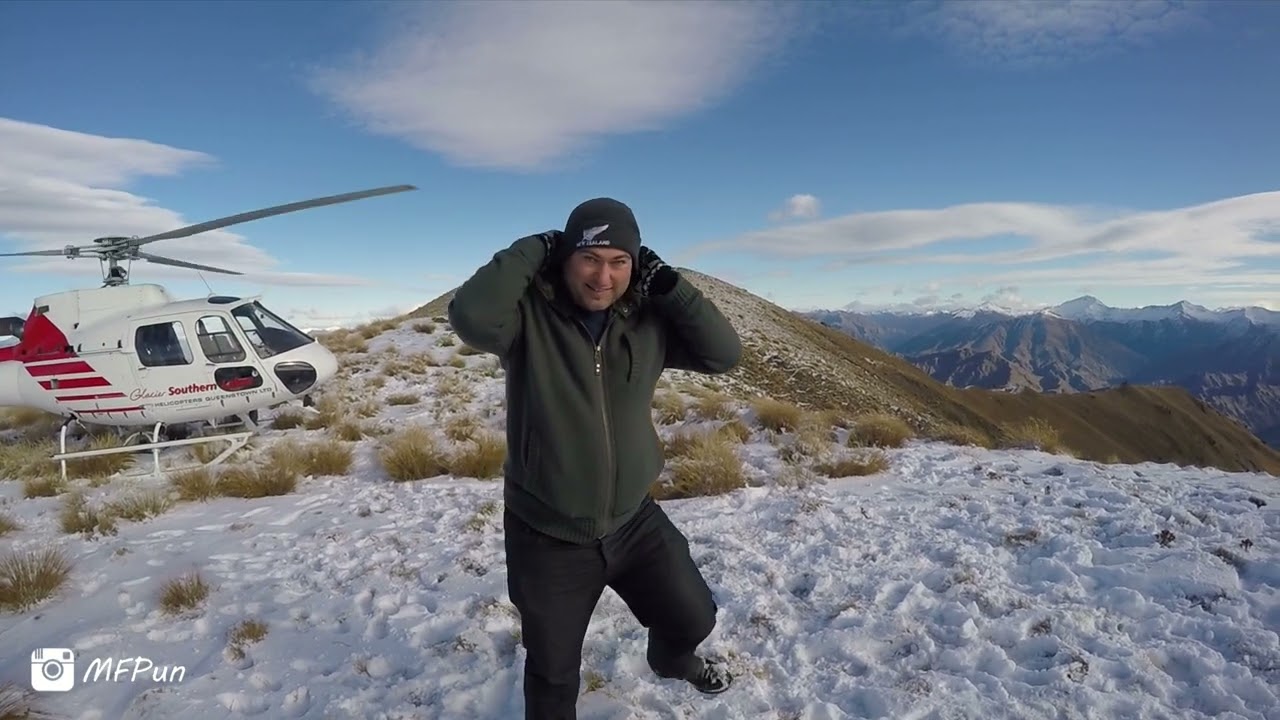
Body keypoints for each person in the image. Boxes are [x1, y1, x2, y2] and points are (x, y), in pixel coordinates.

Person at [448, 197, 743, 719]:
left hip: (633, 520)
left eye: (619, 261)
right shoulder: (525, 319)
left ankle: (673, 661)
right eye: (589, 258)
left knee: (693, 615)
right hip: (547, 532)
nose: (603, 277)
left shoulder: (647, 321)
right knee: (554, 671)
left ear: (635, 265)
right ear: (564, 260)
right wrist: (534, 247)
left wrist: (671, 288)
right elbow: (470, 316)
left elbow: (723, 355)